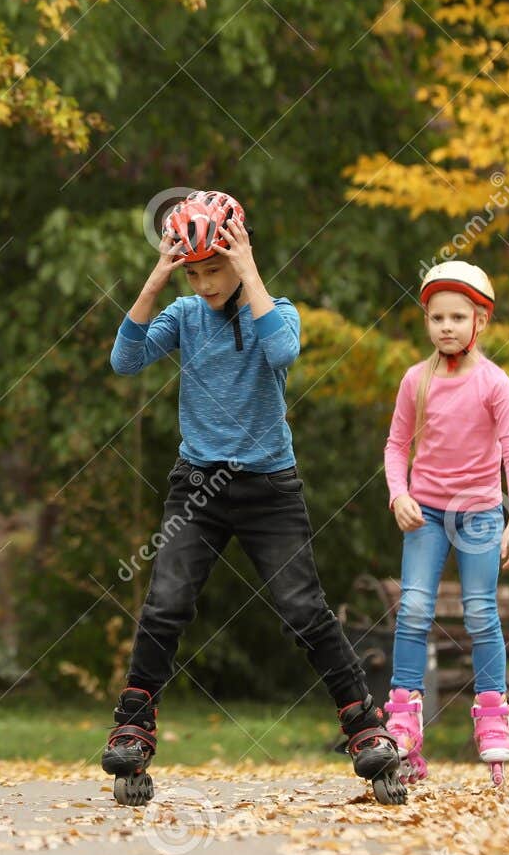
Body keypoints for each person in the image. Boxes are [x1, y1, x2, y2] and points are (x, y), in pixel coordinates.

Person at [101, 190, 406, 806]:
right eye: (194, 273)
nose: (205, 284)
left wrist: (248, 271)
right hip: (198, 486)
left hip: (269, 488)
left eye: (214, 269)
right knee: (165, 604)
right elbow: (124, 360)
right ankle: (133, 728)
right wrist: (158, 277)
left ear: (239, 257)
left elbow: (283, 351)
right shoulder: (184, 315)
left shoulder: (278, 311)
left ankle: (365, 727)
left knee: (304, 610)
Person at [382, 260, 509, 787]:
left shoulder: (494, 382)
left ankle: (492, 713)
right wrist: (398, 494)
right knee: (414, 607)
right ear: (427, 321)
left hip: (481, 514)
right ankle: (404, 713)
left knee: (480, 611)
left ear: (480, 322)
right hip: (425, 510)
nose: (446, 326)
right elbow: (397, 445)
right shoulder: (416, 381)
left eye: (458, 317)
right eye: (437, 317)